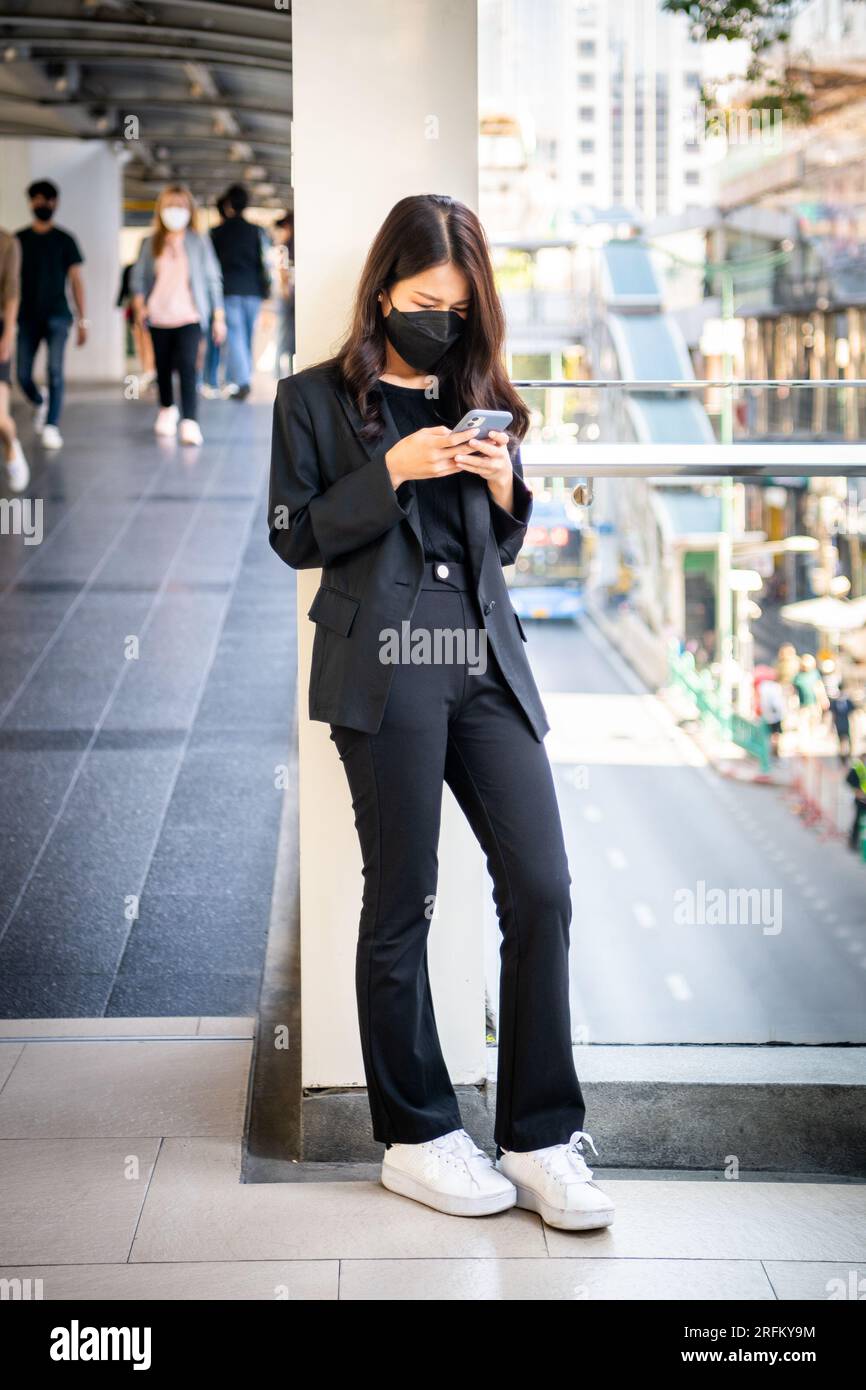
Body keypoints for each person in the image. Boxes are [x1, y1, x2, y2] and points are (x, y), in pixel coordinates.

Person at [268, 192, 613, 1233]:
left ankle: (539, 1136)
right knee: (402, 896)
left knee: (541, 888)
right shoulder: (313, 398)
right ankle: (416, 1136)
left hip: (481, 656)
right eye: (427, 305)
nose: (444, 326)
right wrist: (390, 471)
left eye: (461, 312)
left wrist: (505, 486)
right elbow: (293, 533)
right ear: (382, 292)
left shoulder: (479, 392)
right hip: (384, 661)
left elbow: (500, 547)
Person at [130, 184, 225, 446]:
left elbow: (212, 279)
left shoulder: (199, 242)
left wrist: (218, 317)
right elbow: (138, 279)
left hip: (190, 316)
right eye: (170, 206)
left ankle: (190, 421)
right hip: (159, 315)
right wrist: (140, 306)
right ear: (161, 209)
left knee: (187, 365)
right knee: (161, 367)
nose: (176, 212)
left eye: (181, 206)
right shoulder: (150, 243)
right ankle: (166, 408)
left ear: (189, 210)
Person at [15, 179, 87, 451]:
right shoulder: (19, 240)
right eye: (38, 199)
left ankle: (52, 425)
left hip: (58, 315)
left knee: (55, 371)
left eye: (48, 199)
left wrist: (83, 320)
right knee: (22, 373)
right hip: (26, 316)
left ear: (55, 203)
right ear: (31, 202)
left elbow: (77, 281)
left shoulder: (64, 240)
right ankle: (39, 400)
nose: (43, 204)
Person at [210, 184, 269, 400]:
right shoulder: (255, 230)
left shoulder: (217, 232)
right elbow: (262, 262)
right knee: (246, 337)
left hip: (229, 291)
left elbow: (212, 266)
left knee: (234, 336)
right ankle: (242, 378)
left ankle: (242, 381)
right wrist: (265, 290)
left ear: (228, 205)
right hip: (252, 290)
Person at [0, 225, 29, 490]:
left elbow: (11, 293)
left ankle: (10, 445)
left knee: (0, 418)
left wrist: (8, 335)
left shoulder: (7, 242)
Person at [201, 194, 229, 398]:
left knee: (211, 341)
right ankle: (220, 380)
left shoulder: (213, 235)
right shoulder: (253, 231)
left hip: (214, 296)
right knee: (223, 340)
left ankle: (208, 380)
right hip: (226, 294)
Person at [272, 211, 295, 379]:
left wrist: (283, 287)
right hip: (296, 293)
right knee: (292, 332)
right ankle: (288, 369)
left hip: (287, 292)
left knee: (282, 331)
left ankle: (278, 371)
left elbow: (281, 269)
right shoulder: (299, 243)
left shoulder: (284, 245)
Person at [758, 671, 786, 758]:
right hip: (776, 716)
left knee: (769, 734)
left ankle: (770, 750)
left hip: (767, 715)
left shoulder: (762, 687)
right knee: (776, 734)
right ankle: (775, 750)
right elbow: (777, 703)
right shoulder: (775, 687)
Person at [845, 755, 866, 852]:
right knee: (857, 822)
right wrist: (857, 790)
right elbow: (849, 779)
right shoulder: (859, 766)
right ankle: (853, 842)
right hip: (861, 799)